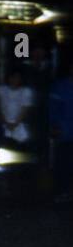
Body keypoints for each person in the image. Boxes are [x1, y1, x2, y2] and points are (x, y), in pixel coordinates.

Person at [49, 60, 73, 204]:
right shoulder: (60, 86)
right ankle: (62, 192)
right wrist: (55, 126)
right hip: (65, 132)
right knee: (63, 164)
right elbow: (53, 109)